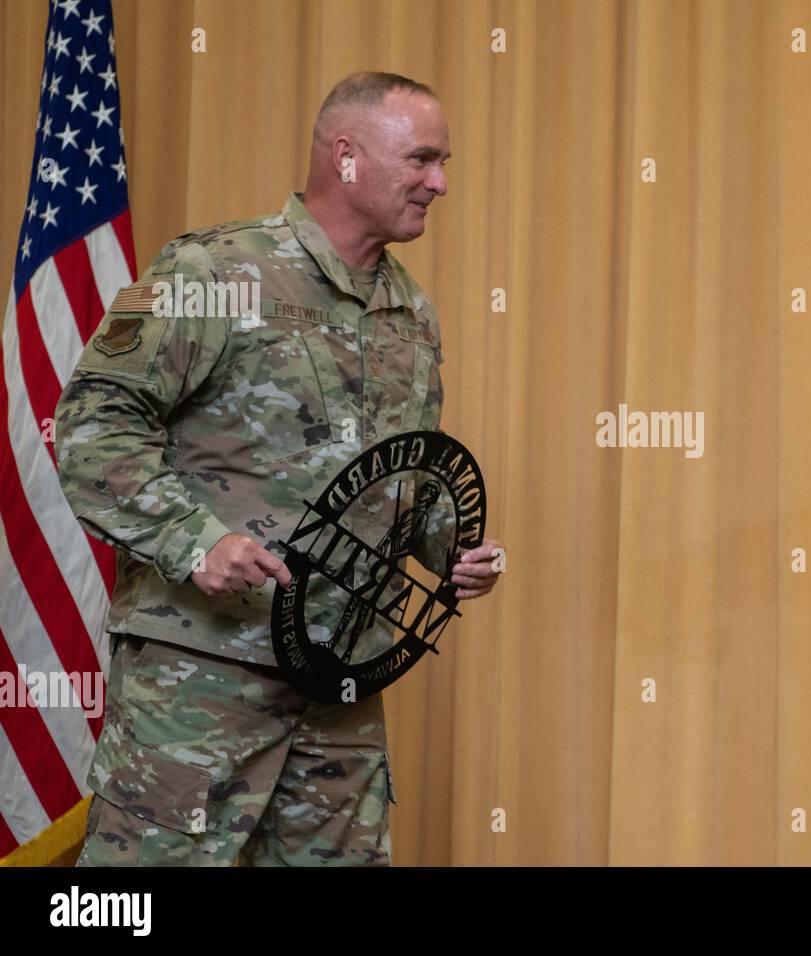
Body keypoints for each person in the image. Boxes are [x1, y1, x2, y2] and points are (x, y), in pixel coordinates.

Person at [54, 71, 502, 866]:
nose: (440, 183)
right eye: (423, 159)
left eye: (444, 162)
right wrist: (195, 542)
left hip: (341, 683)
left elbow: (397, 474)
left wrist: (450, 548)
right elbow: (93, 425)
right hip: (202, 676)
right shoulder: (214, 273)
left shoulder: (411, 310)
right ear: (348, 157)